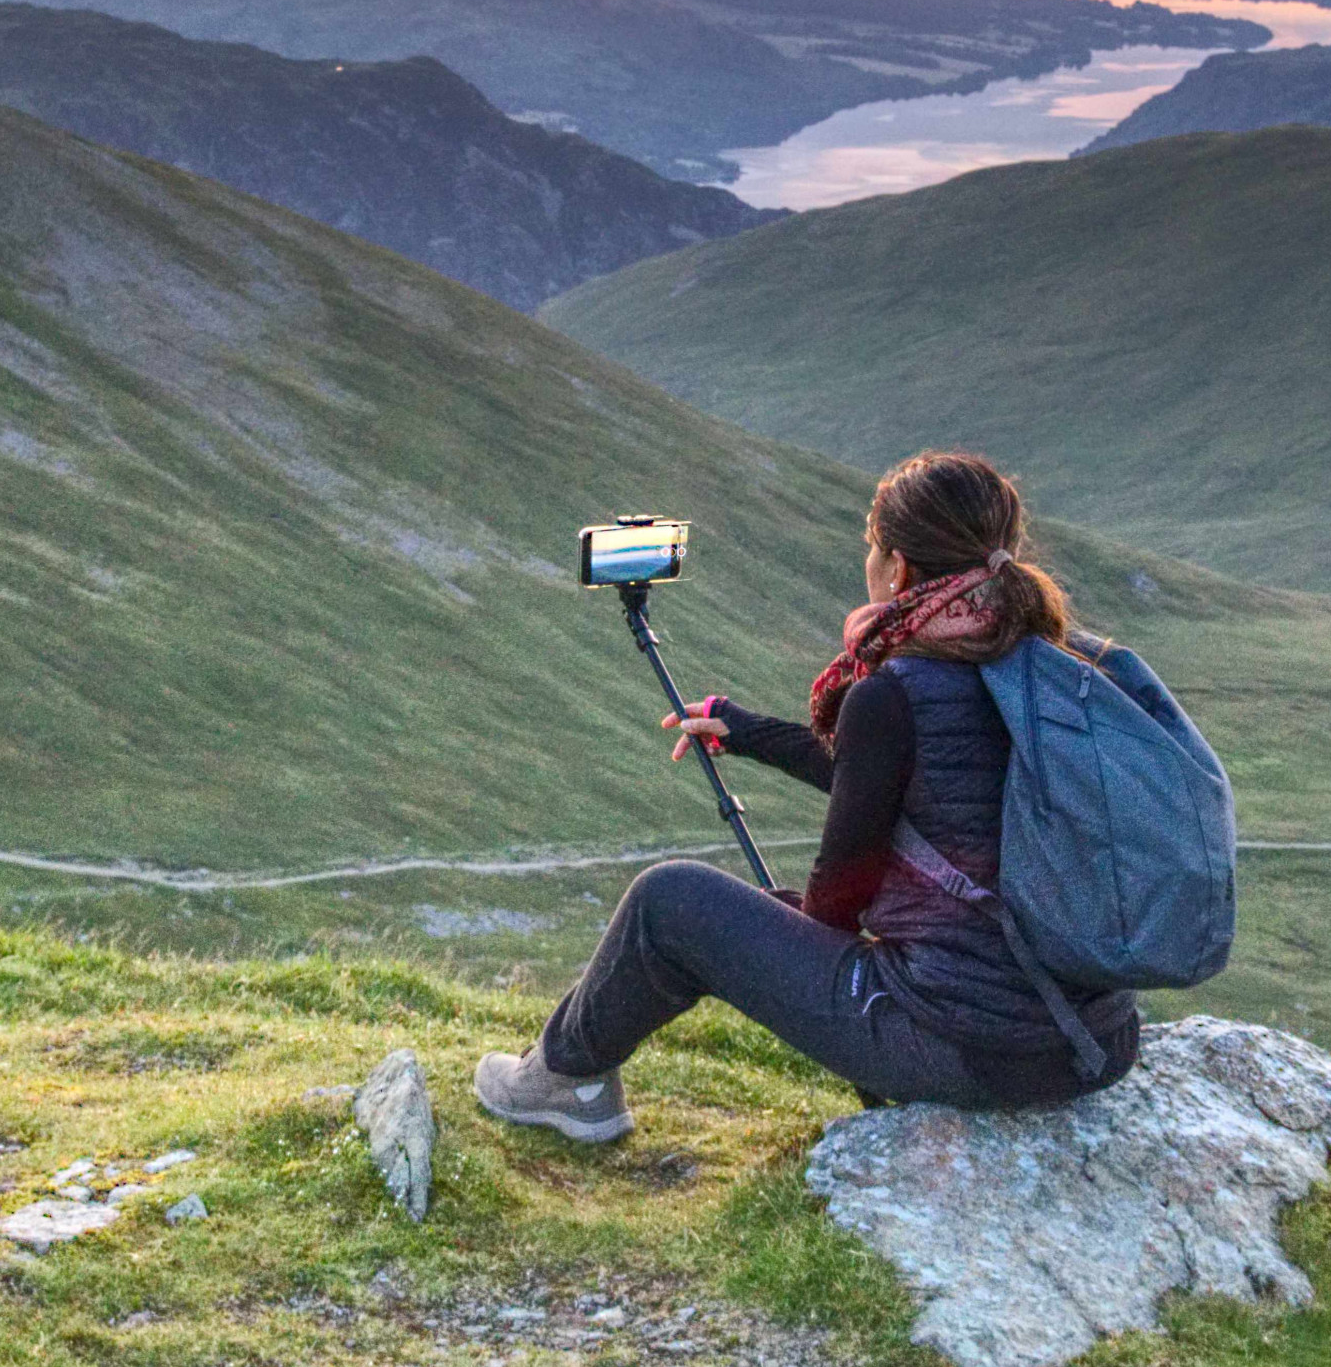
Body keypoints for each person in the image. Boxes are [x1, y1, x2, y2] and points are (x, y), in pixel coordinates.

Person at [473, 451, 1140, 1142]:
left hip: (967, 1052)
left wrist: (775, 929)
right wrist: (747, 731)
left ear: (897, 567)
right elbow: (915, 783)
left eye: (870, 548)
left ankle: (561, 1084)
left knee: (669, 901)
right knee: (749, 912)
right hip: (1095, 1041)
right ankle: (567, 1077)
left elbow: (836, 895)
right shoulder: (1054, 665)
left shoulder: (896, 691)